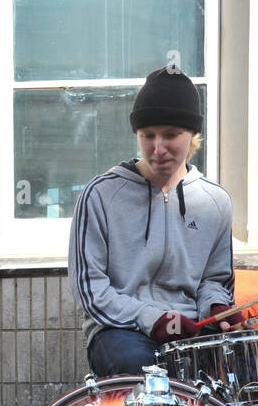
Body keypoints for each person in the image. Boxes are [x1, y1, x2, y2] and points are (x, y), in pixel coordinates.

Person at [69, 67, 237, 378]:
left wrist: (215, 309)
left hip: (190, 328)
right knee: (140, 367)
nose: (158, 149)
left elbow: (216, 281)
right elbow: (91, 291)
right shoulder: (100, 195)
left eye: (171, 135)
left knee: (256, 375)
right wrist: (154, 319)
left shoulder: (216, 202)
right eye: (148, 136)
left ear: (192, 136)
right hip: (120, 329)